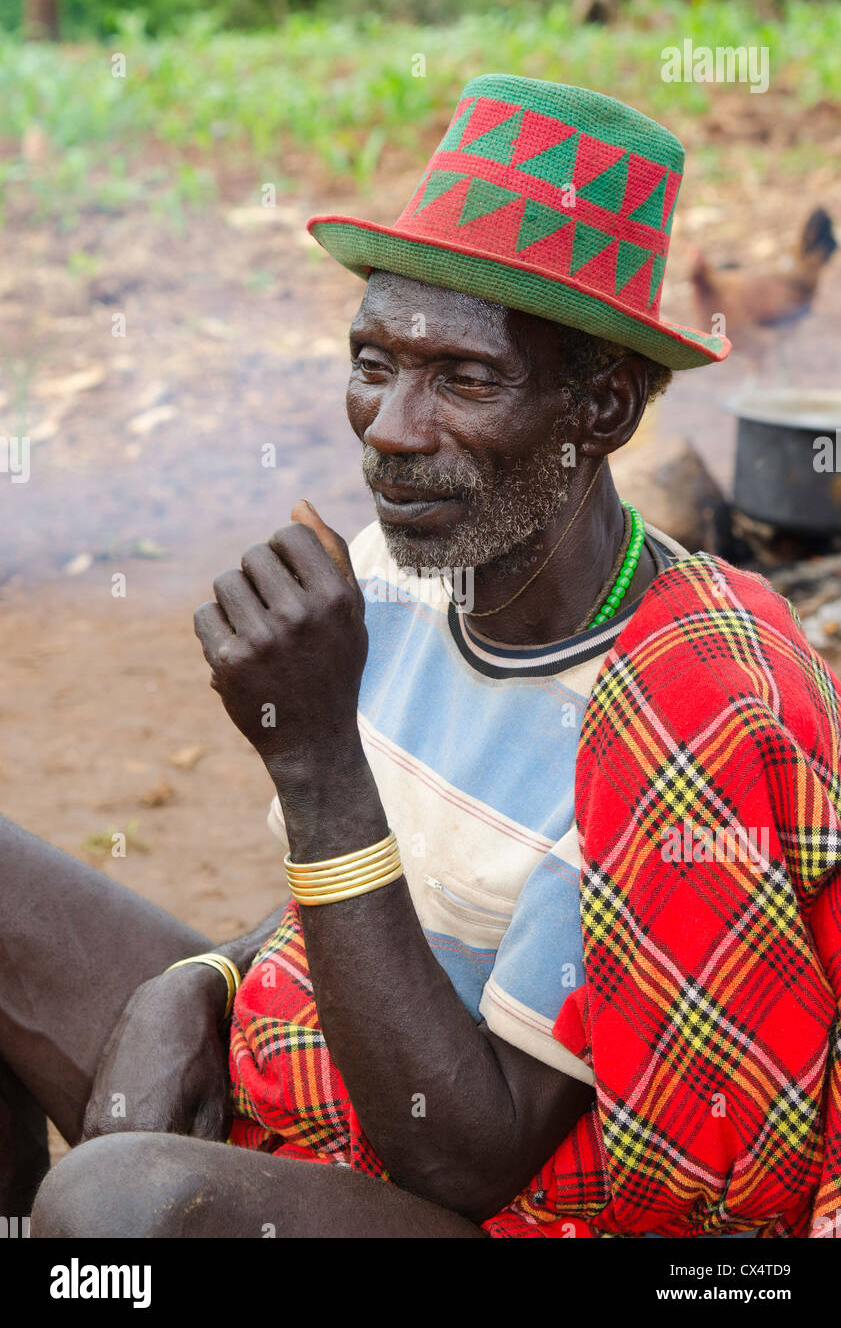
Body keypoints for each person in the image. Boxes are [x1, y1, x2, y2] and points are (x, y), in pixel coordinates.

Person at [5, 76, 840, 1238]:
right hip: (339, 1069)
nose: (392, 428)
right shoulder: (396, 573)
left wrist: (314, 764)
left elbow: (472, 1157)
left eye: (462, 377)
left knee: (119, 1206)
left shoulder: (684, 699)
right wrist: (194, 984)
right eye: (373, 361)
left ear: (598, 408)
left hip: (504, 1194)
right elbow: (343, 921)